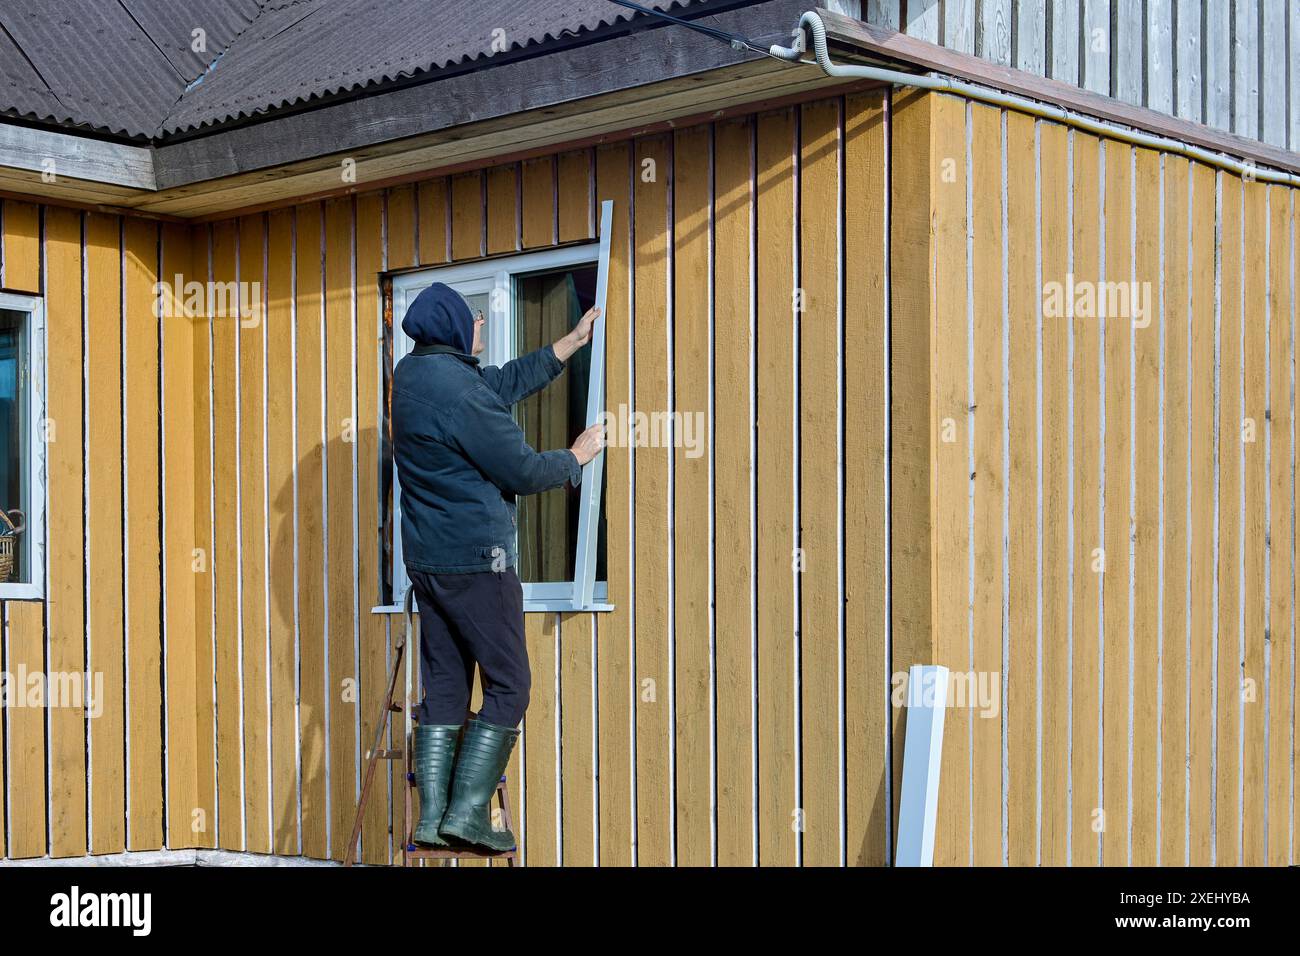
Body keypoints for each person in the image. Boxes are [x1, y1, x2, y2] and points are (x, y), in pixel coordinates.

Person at [391, 282, 603, 852]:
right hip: (477, 563)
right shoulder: (459, 393)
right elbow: (523, 471)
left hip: (429, 565)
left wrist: (568, 345)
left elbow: (497, 385)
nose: (483, 326)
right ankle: (467, 813)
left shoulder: (413, 378)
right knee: (510, 687)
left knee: (446, 689)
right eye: (476, 319)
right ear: (457, 328)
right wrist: (575, 457)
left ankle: (432, 819)